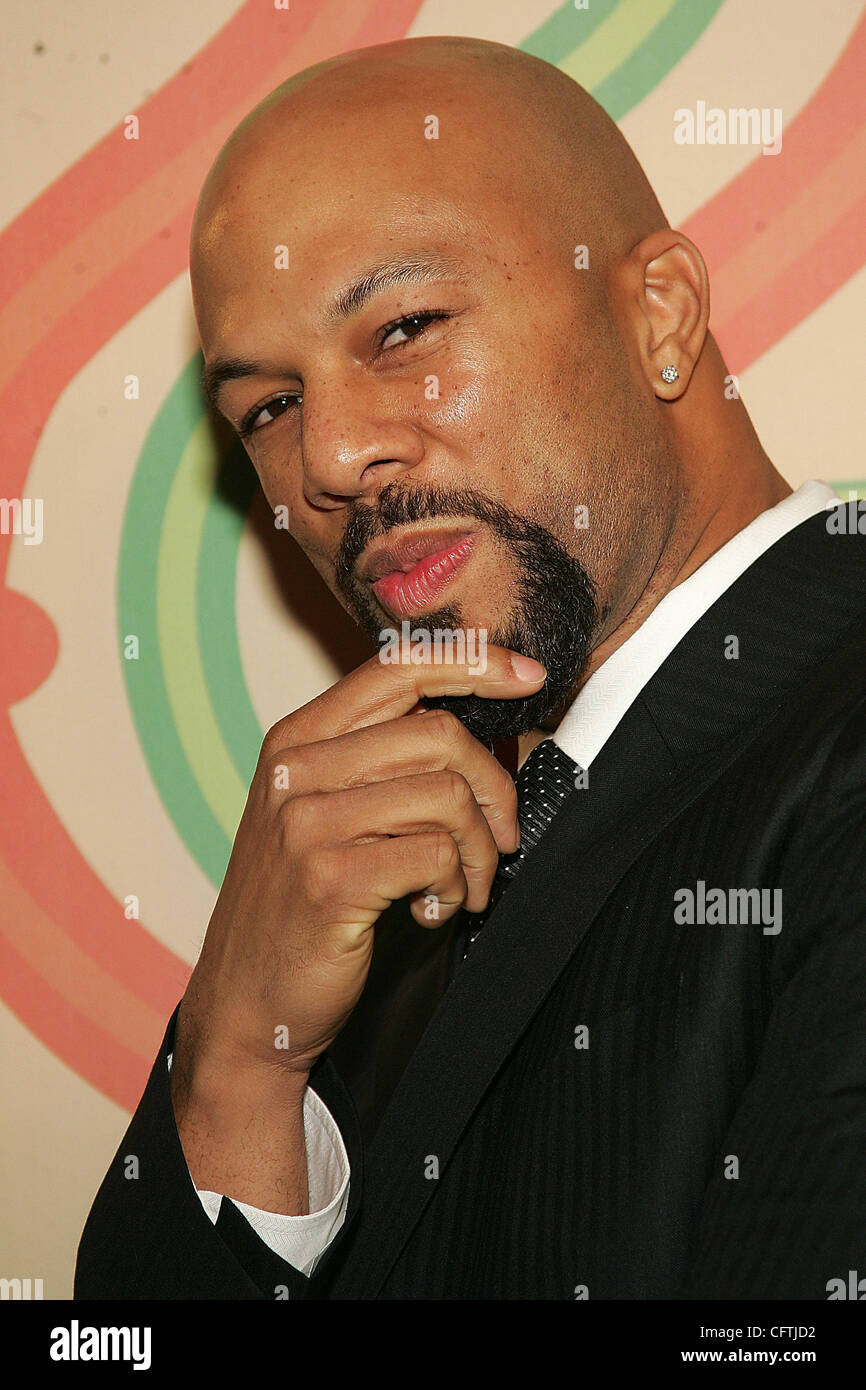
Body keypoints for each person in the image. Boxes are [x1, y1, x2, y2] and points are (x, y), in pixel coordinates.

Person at [75, 36, 866, 1300]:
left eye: (403, 328)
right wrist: (236, 1068)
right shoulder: (366, 878)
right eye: (267, 408)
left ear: (658, 316)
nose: (330, 457)